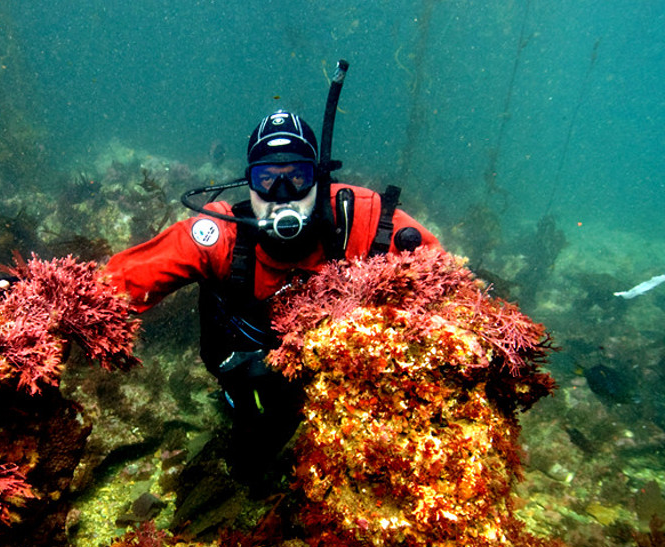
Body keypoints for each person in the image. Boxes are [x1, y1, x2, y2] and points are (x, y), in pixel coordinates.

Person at [103, 110, 441, 488]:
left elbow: (444, 286)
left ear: (319, 178)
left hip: (349, 394)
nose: (282, 196)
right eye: (267, 179)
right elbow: (117, 284)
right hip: (247, 383)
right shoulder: (222, 236)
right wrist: (52, 300)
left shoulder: (364, 221)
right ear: (248, 184)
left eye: (297, 178)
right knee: (249, 465)